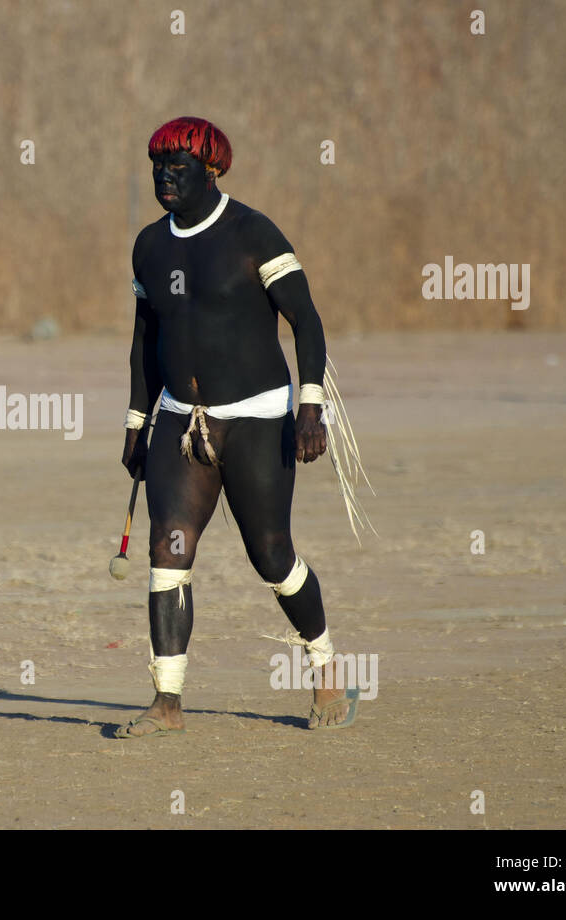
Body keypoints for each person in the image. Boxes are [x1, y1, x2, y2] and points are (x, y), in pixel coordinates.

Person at [118, 115, 364, 737]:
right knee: (167, 552)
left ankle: (325, 665)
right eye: (157, 168)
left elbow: (306, 322)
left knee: (272, 557)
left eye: (179, 169)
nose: (165, 178)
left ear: (213, 171)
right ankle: (167, 703)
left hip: (257, 416)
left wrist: (311, 407)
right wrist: (136, 422)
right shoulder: (150, 246)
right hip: (180, 420)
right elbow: (145, 337)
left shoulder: (254, 234)